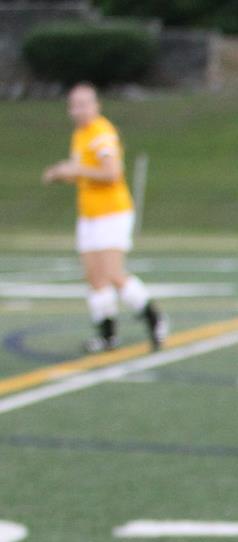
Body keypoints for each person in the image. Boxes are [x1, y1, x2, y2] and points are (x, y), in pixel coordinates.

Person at [38, 82, 165, 353]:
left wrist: (76, 169)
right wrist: (61, 174)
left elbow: (111, 172)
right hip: (89, 214)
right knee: (94, 277)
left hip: (112, 213)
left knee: (113, 274)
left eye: (83, 104)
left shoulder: (101, 133)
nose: (77, 110)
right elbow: (84, 173)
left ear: (96, 106)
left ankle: (154, 318)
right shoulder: (80, 134)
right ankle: (107, 334)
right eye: (73, 105)